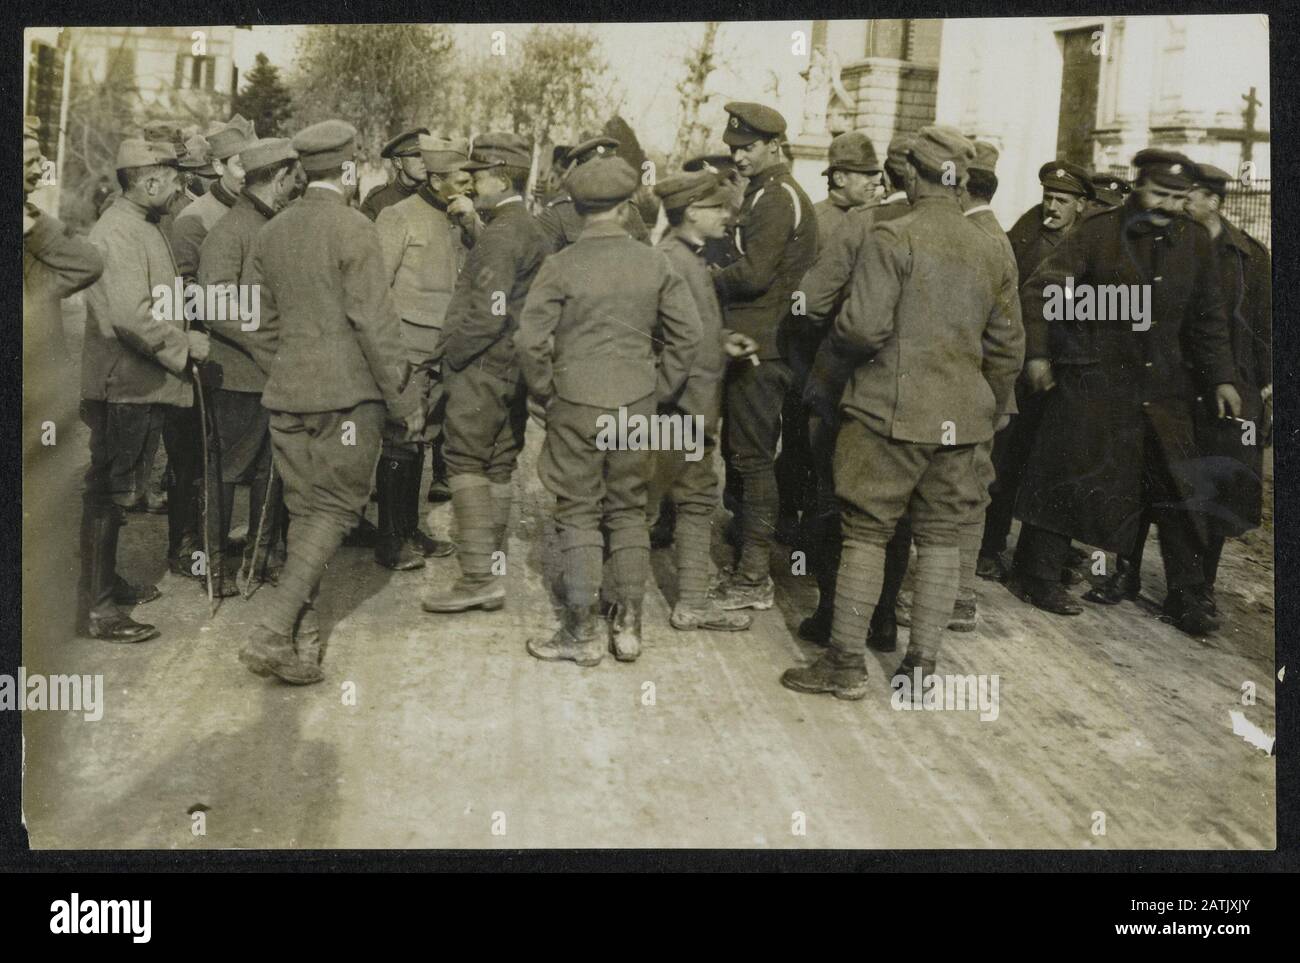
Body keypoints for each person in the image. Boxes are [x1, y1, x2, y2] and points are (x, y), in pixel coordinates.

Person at [781, 126, 1023, 699]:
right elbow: (1008, 348)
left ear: (910, 173)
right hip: (962, 420)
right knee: (941, 538)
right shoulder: (992, 247)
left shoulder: (892, 236)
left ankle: (843, 666)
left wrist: (841, 363)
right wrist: (985, 407)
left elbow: (861, 327)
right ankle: (920, 670)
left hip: (887, 411)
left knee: (865, 532)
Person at [1010, 149, 1239, 636]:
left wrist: (1222, 377)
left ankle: (1188, 595)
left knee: (1179, 486)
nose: (1167, 205)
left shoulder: (1194, 242)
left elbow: (1208, 319)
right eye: (1159, 193)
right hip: (1093, 379)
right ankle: (1038, 575)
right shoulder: (1098, 231)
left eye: (1179, 198)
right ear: (1138, 187)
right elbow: (1044, 289)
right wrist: (1040, 355)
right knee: (1068, 471)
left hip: (1161, 387)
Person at [238, 120, 422, 684]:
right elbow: (376, 324)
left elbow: (255, 323)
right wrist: (403, 399)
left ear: (301, 169)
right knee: (337, 510)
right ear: (347, 169)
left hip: (288, 399)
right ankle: (273, 629)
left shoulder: (271, 232)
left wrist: (290, 369)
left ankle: (303, 641)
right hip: (347, 402)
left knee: (305, 511)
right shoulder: (354, 228)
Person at [517, 156, 702, 664]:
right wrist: (657, 387)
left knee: (577, 510)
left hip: (575, 402)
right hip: (635, 404)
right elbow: (688, 336)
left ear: (576, 209)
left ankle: (580, 634)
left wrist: (546, 393)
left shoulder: (560, 265)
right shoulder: (655, 262)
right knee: (628, 510)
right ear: (625, 208)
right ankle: (629, 626)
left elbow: (531, 340)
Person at [1087, 161, 1271, 618]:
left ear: (1214, 201)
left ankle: (1194, 592)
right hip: (1172, 386)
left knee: (1209, 493)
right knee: (1145, 478)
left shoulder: (1253, 257)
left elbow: (1268, 329)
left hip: (1225, 395)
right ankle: (1124, 573)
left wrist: (1261, 387)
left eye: (1189, 195)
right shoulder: (1167, 243)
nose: (1178, 203)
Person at [78, 138, 211, 643]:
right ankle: (97, 608)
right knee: (109, 496)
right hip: (122, 387)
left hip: (132, 384)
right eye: (174, 178)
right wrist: (184, 346)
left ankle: (101, 585)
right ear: (151, 180)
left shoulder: (141, 225)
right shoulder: (121, 232)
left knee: (110, 492)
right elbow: (133, 316)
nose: (180, 186)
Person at [793, 132, 915, 653]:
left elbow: (807, 303)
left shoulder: (860, 226)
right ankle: (884, 620)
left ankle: (833, 615)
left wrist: (817, 351)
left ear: (887, 176)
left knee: (835, 499)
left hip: (848, 387)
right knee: (898, 510)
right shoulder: (969, 233)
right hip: (920, 396)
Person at [420, 133, 549, 615]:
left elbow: (488, 313)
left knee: (465, 461)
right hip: (513, 364)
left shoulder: (501, 233)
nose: (471, 185)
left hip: (482, 364)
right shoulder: (528, 227)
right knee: (497, 461)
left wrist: (450, 358)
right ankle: (490, 569)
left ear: (499, 177)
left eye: (477, 176)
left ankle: (477, 577)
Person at [709, 101, 817, 613]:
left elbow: (753, 275)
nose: (739, 157)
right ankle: (746, 551)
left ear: (775, 145)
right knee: (742, 452)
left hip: (763, 346)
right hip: (756, 340)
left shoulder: (777, 198)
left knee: (752, 459)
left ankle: (754, 576)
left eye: (747, 148)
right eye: (734, 148)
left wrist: (706, 276)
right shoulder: (766, 193)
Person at [977, 160, 1094, 583]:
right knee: (1005, 461)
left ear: (1081, 205)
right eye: (1048, 197)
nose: (1052, 206)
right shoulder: (1027, 232)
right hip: (1023, 364)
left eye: (1062, 200)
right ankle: (988, 548)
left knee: (1050, 467)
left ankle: (1045, 557)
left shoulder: (1090, 240)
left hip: (1065, 372)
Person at [650, 170, 757, 632]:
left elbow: (691, 331)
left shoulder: (684, 257)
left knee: (682, 499)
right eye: (717, 208)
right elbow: (672, 341)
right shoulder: (674, 261)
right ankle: (688, 603)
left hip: (687, 405)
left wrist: (723, 340)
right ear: (692, 212)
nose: (727, 216)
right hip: (683, 408)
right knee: (690, 499)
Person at [196, 137, 301, 599]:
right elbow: (215, 306)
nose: (297, 185)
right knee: (224, 475)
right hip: (238, 378)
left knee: (268, 472)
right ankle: (214, 568)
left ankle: (258, 562)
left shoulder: (273, 225)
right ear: (278, 178)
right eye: (293, 178)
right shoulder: (231, 231)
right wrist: (266, 348)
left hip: (271, 375)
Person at [774, 131, 884, 546]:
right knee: (801, 439)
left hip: (844, 353)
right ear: (838, 178)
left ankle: (814, 526)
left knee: (829, 446)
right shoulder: (818, 221)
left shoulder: (873, 222)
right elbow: (796, 293)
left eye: (876, 174)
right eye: (863, 175)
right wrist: (804, 333)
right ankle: (787, 518)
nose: (874, 182)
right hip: (808, 350)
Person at [371, 135, 473, 568]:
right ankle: (390, 540)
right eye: (461, 179)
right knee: (400, 440)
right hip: (408, 352)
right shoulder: (397, 217)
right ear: (435, 178)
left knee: (423, 440)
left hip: (443, 351)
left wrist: (471, 223)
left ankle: (410, 529)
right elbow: (375, 289)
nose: (470, 185)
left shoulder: (462, 218)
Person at [24, 124, 104, 461]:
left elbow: (87, 263)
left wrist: (31, 223)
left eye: (40, 160)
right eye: (29, 161)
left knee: (42, 456)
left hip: (37, 366)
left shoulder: (30, 222)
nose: (40, 169)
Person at [536, 136, 652, 251]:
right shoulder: (559, 213)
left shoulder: (629, 210)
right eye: (597, 172)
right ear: (582, 172)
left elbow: (647, 256)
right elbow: (540, 262)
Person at [360, 127, 429, 221]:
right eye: (417, 155)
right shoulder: (377, 200)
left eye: (426, 154)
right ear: (398, 163)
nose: (424, 160)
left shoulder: (435, 196)